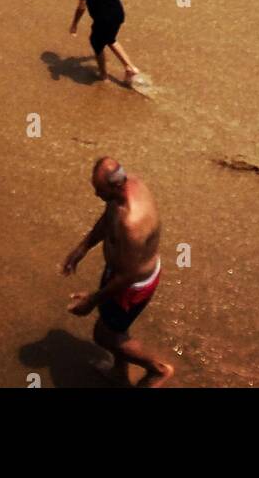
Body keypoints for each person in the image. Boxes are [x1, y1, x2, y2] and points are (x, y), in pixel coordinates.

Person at [60, 157, 173, 387]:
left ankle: (158, 369)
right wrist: (83, 248)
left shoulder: (132, 223)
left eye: (98, 190)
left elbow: (128, 276)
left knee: (105, 335)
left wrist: (92, 300)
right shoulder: (125, 187)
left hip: (132, 286)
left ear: (114, 186)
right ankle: (119, 372)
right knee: (116, 327)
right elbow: (108, 218)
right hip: (120, 273)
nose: (96, 195)